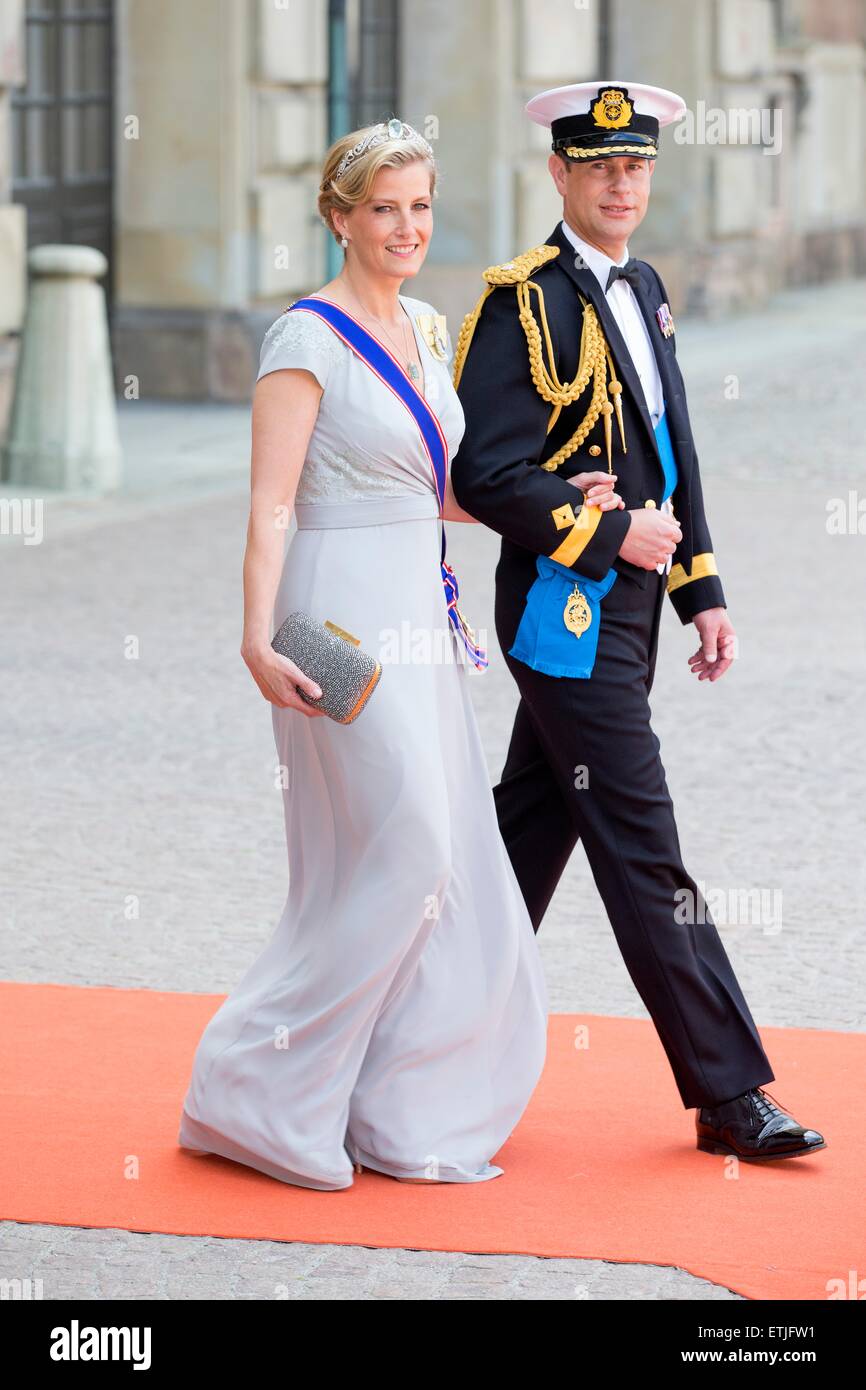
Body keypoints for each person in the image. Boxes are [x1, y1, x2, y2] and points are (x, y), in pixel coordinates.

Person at [176, 118, 584, 1189]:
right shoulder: (302, 340)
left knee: (435, 855)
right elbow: (269, 505)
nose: (405, 227)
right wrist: (255, 635)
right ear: (339, 217)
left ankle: (396, 1105)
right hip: (328, 618)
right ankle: (250, 1087)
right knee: (400, 841)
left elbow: (439, 486)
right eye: (382, 208)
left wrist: (549, 504)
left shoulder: (427, 328)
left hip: (418, 611)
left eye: (419, 205)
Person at [449, 82, 825, 1162]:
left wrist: (699, 590)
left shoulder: (646, 283)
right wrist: (601, 536)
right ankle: (728, 1091)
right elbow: (485, 473)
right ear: (559, 173)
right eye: (599, 165)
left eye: (636, 166)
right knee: (639, 838)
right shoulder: (521, 301)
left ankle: (411, 1030)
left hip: (631, 607)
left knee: (526, 828)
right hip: (563, 603)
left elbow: (673, 453)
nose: (620, 184)